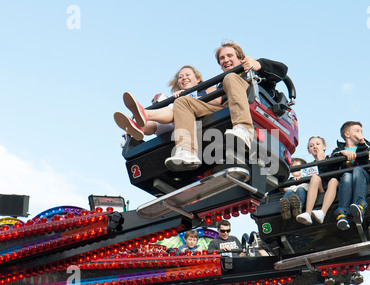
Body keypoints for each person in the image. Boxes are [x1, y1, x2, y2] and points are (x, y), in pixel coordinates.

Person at [165, 40, 288, 171]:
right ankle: (186, 151)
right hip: (226, 107)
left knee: (230, 78)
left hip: (251, 104)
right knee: (182, 102)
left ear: (240, 58)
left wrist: (259, 64)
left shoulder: (253, 70)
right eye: (222, 58)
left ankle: (244, 128)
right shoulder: (221, 84)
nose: (226, 60)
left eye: (230, 56)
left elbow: (282, 70)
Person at [113, 65, 220, 140]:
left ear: (197, 79)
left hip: (200, 117)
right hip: (179, 124)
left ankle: (145, 114)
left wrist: (188, 97)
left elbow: (216, 101)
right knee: (160, 124)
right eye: (180, 77)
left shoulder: (207, 88)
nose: (184, 78)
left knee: (177, 105)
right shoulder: (177, 96)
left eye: (188, 75)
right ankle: (138, 128)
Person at [331, 121, 370, 230]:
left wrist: (362, 143)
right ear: (347, 134)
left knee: (357, 170)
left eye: (361, 131)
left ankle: (359, 204)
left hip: (362, 175)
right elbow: (331, 164)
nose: (360, 133)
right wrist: (342, 153)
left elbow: (367, 162)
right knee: (346, 176)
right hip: (347, 178)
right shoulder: (338, 150)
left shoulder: (364, 146)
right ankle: (342, 213)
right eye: (357, 131)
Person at [295, 136, 339, 225]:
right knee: (315, 177)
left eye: (318, 144)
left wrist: (321, 160)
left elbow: (333, 172)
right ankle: (308, 213)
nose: (315, 147)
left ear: (324, 147)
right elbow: (305, 180)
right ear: (309, 151)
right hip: (319, 188)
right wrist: (298, 178)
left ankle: (323, 212)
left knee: (334, 180)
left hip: (331, 186)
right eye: (311, 146)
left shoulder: (332, 158)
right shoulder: (308, 166)